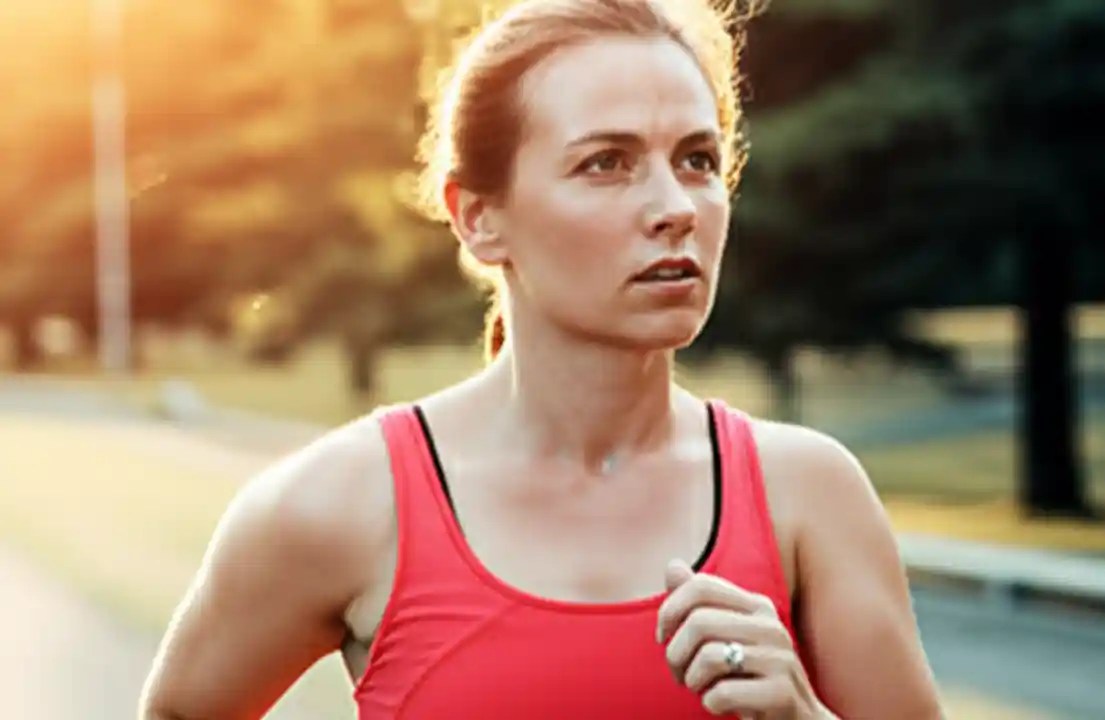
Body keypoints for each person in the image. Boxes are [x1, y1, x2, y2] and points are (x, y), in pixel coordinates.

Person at [139, 0, 944, 717]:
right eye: (606, 163)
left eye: (697, 160)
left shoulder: (809, 497)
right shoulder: (338, 506)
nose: (675, 208)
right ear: (479, 218)